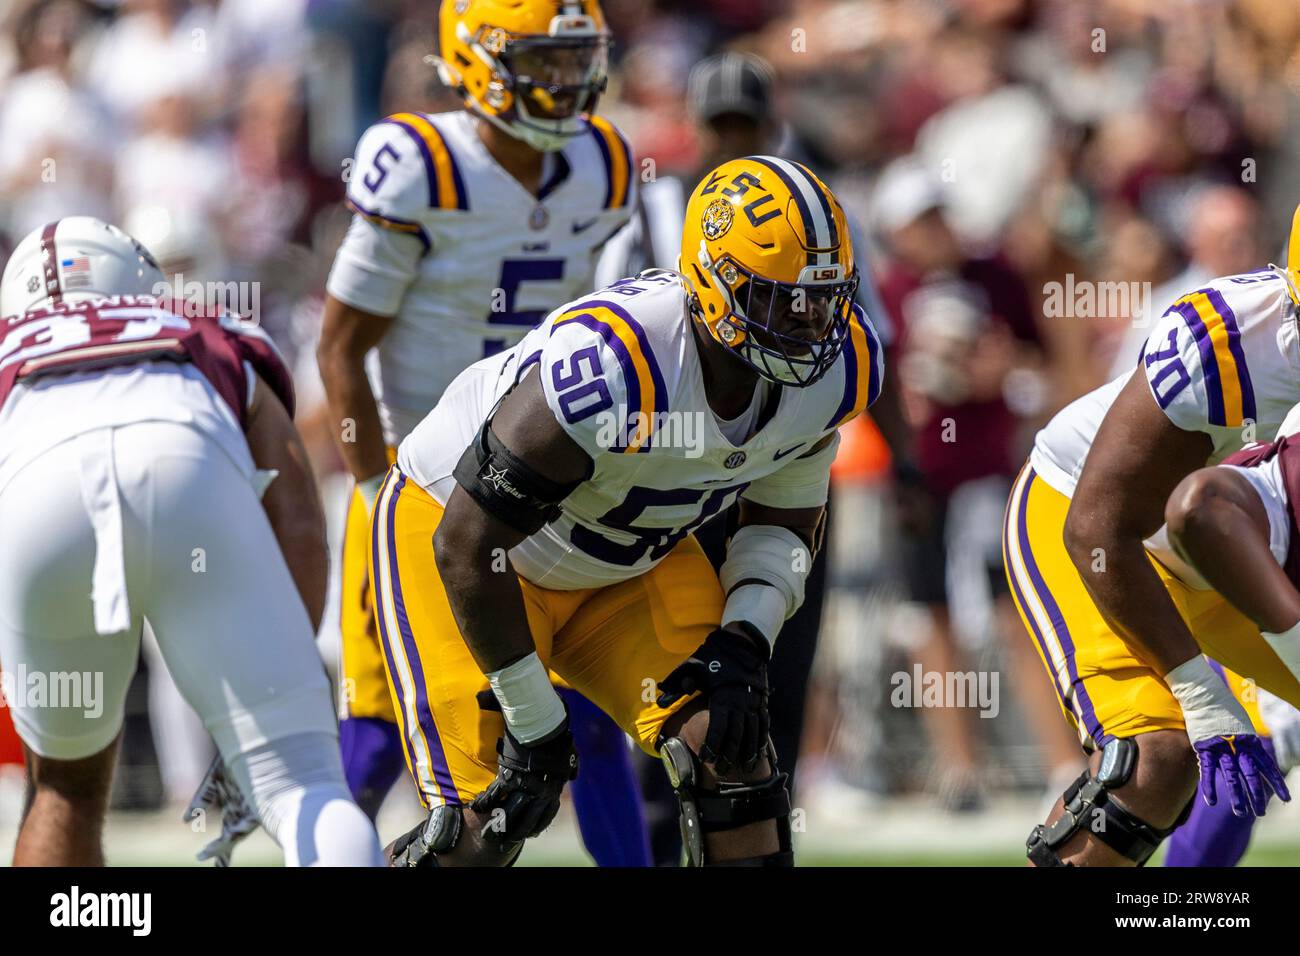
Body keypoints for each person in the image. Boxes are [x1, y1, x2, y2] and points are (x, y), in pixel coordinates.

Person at [376, 155, 880, 866]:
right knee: (483, 825)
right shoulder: (617, 363)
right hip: (471, 547)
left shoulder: (842, 367)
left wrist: (745, 639)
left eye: (822, 300)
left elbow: (784, 520)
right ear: (713, 283)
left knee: (734, 751)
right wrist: (534, 718)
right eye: (777, 299)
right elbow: (467, 541)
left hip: (625, 562)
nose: (807, 324)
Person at [316, 0, 650, 865]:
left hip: (542, 475)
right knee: (387, 724)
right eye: (542, 62)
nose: (566, 84)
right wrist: (371, 494)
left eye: (577, 61)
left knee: (588, 715)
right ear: (475, 61)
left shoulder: (603, 161)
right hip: (418, 475)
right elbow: (341, 347)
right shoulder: (421, 163)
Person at [0, 216, 382, 866]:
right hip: (183, 459)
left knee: (60, 789)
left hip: (39, 490)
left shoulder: (9, 346)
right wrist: (276, 686)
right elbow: (296, 515)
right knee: (305, 784)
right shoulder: (208, 327)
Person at [1002, 208, 1300, 867]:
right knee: (1157, 760)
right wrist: (1199, 689)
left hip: (1224, 545)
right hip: (1088, 520)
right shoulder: (1229, 350)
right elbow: (1097, 525)